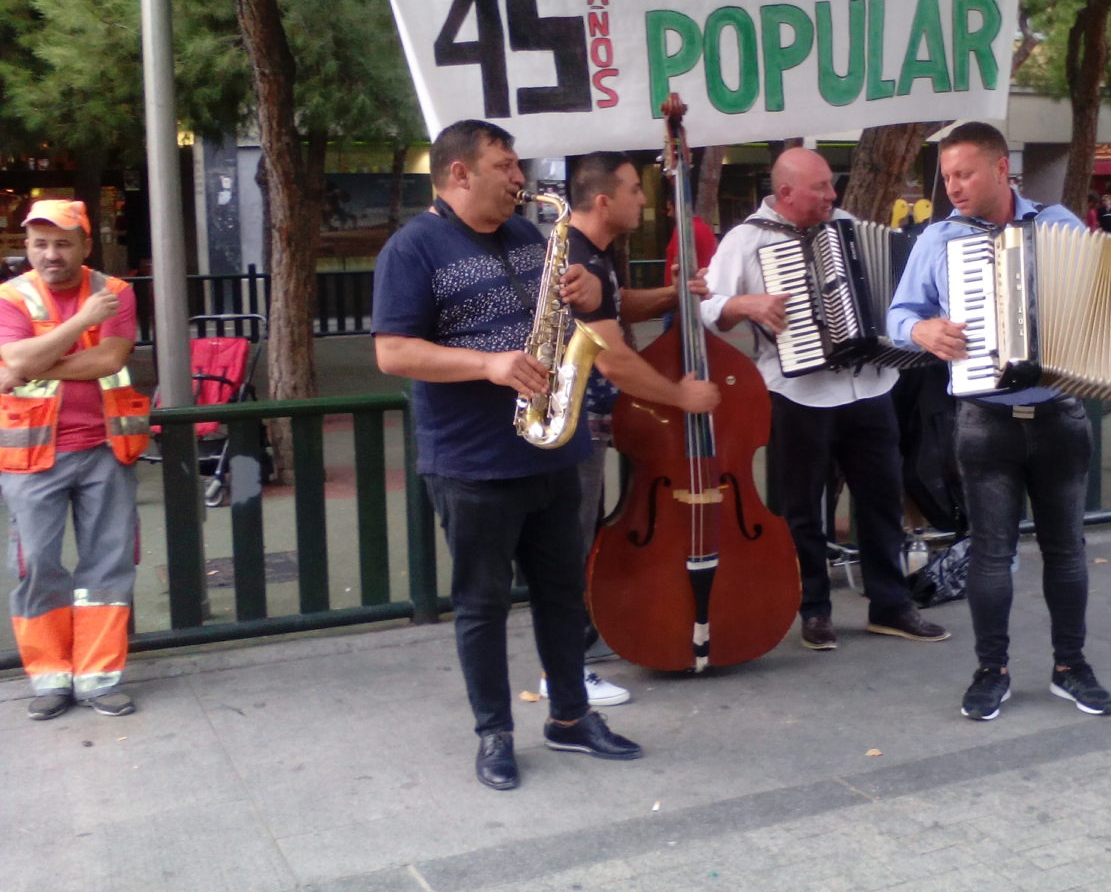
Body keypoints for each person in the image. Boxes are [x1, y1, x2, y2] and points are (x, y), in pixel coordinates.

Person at [373, 121, 698, 791]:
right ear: (459, 173)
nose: (519, 177)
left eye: (517, 164)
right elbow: (393, 352)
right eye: (504, 166)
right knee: (482, 604)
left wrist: (590, 297)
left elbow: (575, 319)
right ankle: (494, 733)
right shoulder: (412, 249)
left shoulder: (530, 235)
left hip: (554, 444)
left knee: (561, 592)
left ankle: (571, 717)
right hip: (473, 460)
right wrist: (489, 365)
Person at [887, 122, 1111, 723]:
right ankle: (991, 671)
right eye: (947, 176)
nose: (953, 187)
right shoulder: (939, 239)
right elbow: (898, 315)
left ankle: (1071, 667)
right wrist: (922, 329)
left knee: (1066, 551)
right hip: (983, 419)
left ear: (1000, 169)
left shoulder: (1059, 224)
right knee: (991, 554)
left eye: (964, 174)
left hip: (1058, 415)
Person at [700, 147, 950, 652]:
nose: (831, 195)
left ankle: (890, 604)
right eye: (820, 188)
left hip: (869, 386)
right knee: (801, 508)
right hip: (797, 394)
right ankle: (813, 608)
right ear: (786, 192)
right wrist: (744, 303)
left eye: (830, 186)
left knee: (881, 500)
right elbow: (709, 307)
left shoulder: (848, 227)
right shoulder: (746, 239)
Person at [560, 151, 714, 698]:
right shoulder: (575, 258)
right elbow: (612, 359)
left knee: (582, 537)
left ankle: (579, 642)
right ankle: (564, 674)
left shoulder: (595, 253)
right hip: (572, 425)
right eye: (633, 190)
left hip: (589, 424)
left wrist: (675, 294)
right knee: (569, 544)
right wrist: (680, 395)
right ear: (604, 202)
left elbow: (618, 306)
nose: (644, 200)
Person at [0, 199, 149, 721]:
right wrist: (83, 322)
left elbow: (109, 358)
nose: (50, 254)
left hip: (106, 448)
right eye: (40, 243)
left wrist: (30, 364)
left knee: (108, 564)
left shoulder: (117, 291)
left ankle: (98, 679)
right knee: (38, 565)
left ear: (86, 245)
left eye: (62, 243)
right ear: (27, 247)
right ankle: (49, 678)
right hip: (31, 455)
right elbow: (15, 357)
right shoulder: (11, 296)